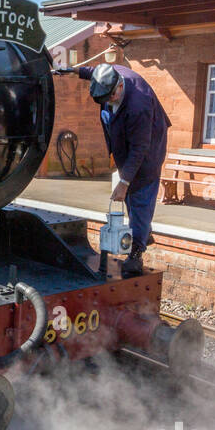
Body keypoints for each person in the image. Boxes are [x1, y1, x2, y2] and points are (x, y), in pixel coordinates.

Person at [75, 63, 170, 275]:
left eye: (110, 97)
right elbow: (93, 71)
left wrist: (124, 183)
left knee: (139, 196)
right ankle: (143, 232)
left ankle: (137, 252)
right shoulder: (109, 76)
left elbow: (139, 149)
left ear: (119, 86)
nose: (108, 102)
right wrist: (73, 70)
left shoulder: (139, 106)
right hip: (126, 143)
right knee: (129, 197)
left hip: (147, 154)